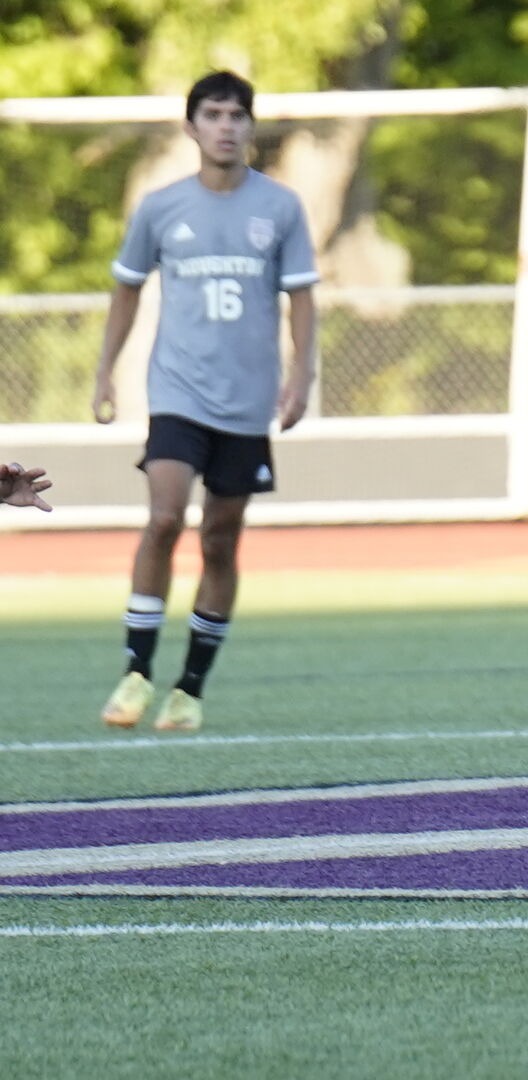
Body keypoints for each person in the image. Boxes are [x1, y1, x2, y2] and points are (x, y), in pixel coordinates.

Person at [93, 70, 319, 734]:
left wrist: (302, 375)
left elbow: (302, 297)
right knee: (164, 519)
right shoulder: (161, 208)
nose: (226, 126)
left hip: (247, 403)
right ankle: (136, 672)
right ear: (191, 127)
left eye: (237, 115)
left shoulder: (279, 208)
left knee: (219, 541)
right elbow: (128, 288)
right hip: (177, 395)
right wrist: (105, 371)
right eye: (213, 114)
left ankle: (189, 687)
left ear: (251, 126)